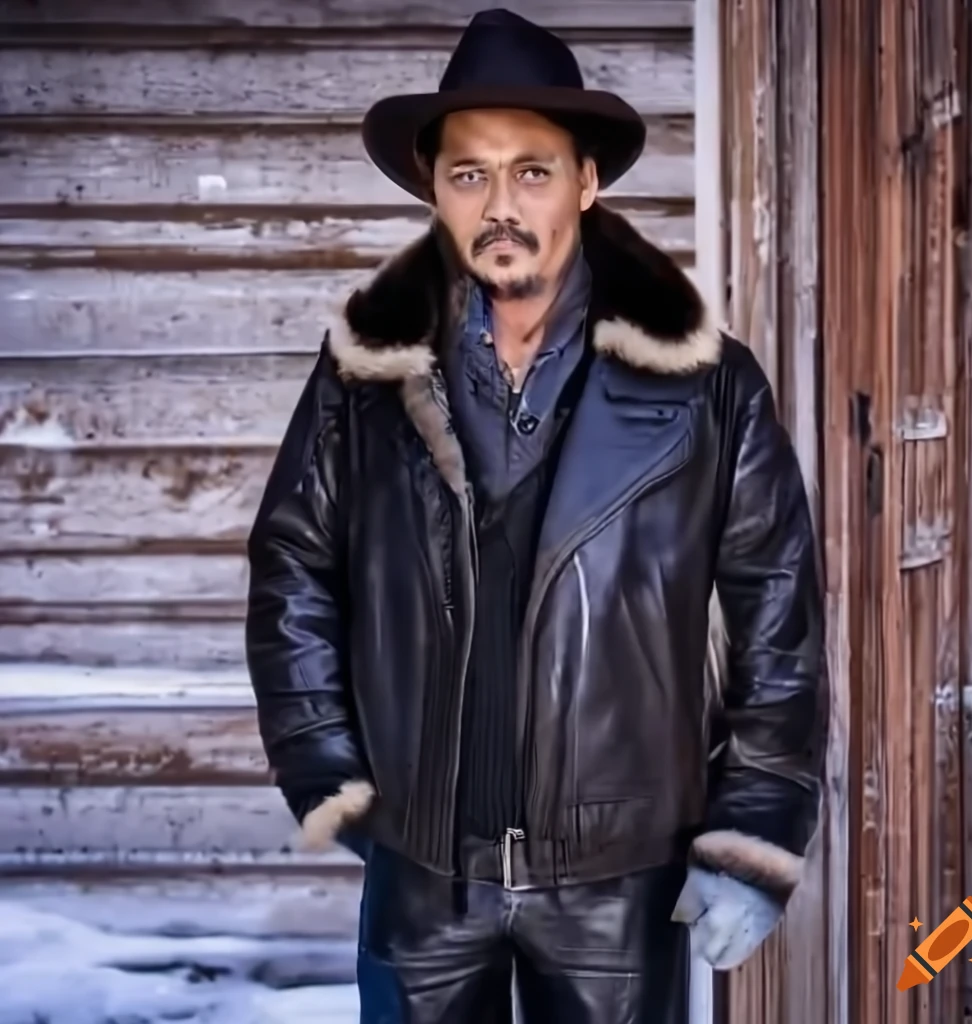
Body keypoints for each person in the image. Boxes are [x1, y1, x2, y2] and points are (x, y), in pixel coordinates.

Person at [245, 9, 826, 1023]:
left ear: (587, 181)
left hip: (618, 881)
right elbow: (294, 566)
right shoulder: (361, 379)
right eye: (469, 174)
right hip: (424, 876)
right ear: (435, 190)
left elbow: (775, 620)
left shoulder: (711, 388)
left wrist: (755, 832)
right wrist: (327, 768)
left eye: (532, 171)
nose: (498, 205)